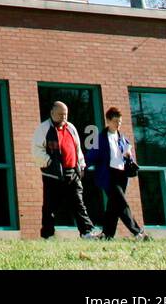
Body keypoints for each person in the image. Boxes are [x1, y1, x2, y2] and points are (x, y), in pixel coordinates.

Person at [31, 100, 98, 239]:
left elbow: (77, 148)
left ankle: (87, 232)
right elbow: (37, 150)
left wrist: (81, 165)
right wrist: (49, 162)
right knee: (50, 207)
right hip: (53, 175)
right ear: (52, 113)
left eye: (65, 114)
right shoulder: (43, 129)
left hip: (72, 172)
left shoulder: (71, 128)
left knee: (79, 203)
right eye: (60, 114)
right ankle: (47, 235)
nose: (63, 117)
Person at [88, 108, 150, 241]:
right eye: (115, 121)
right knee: (121, 203)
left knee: (113, 206)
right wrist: (81, 167)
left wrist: (129, 156)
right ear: (108, 120)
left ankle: (107, 235)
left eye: (120, 122)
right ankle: (138, 232)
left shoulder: (123, 139)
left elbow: (129, 158)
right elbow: (91, 156)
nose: (118, 124)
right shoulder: (101, 138)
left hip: (121, 175)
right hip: (108, 175)